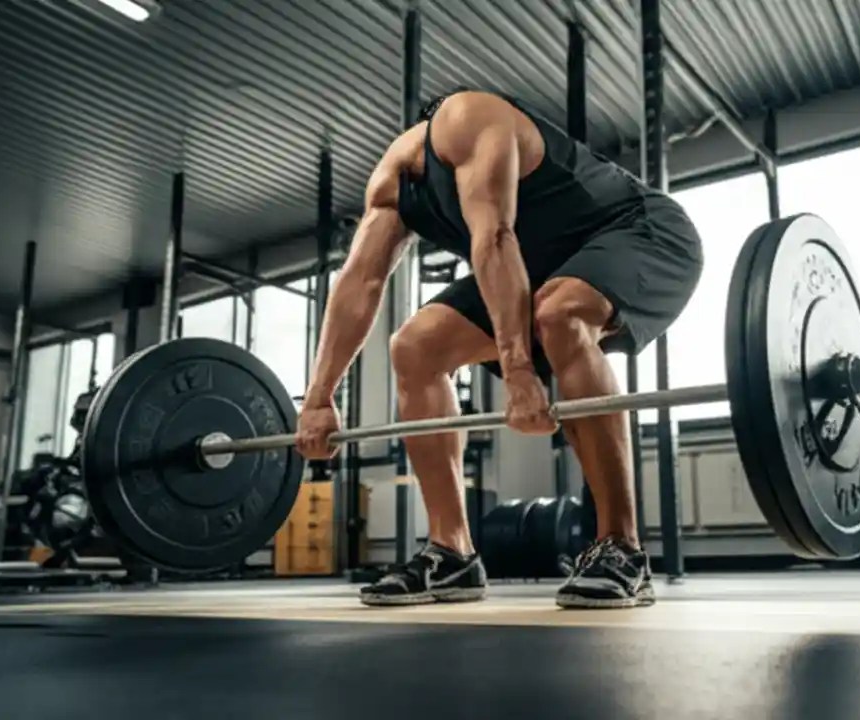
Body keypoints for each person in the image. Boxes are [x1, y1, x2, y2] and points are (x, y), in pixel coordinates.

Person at [294, 89, 703, 609]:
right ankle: (452, 553)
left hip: (643, 233)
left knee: (559, 313)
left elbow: (494, 238)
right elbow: (359, 285)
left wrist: (518, 371)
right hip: (544, 263)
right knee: (415, 347)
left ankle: (621, 546)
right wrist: (317, 398)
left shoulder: (467, 116)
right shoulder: (392, 186)